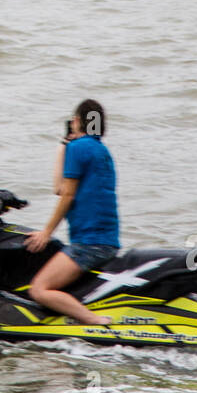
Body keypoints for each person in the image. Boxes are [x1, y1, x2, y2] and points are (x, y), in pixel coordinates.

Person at [24, 98, 119, 326]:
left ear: (76, 121)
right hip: (106, 241)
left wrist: (46, 232)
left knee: (38, 289)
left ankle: (95, 321)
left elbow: (66, 195)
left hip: (89, 243)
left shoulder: (79, 148)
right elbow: (60, 188)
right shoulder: (101, 152)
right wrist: (64, 145)